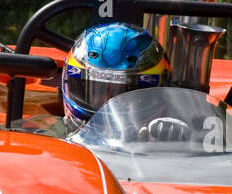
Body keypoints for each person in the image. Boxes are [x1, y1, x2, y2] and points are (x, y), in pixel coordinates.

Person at [60, 22, 188, 140]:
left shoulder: (171, 137)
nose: (108, 103)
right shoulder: (54, 130)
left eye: (122, 94)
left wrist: (174, 143)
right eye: (98, 90)